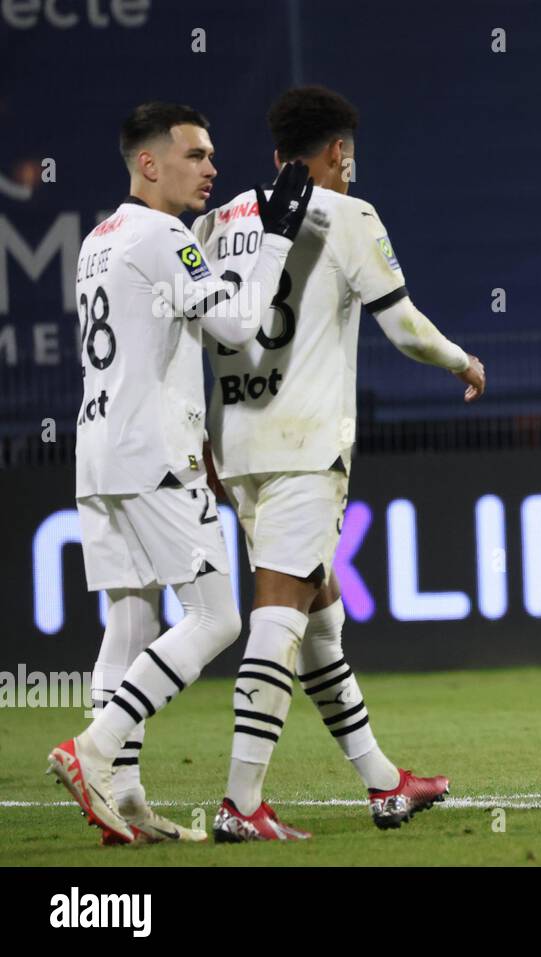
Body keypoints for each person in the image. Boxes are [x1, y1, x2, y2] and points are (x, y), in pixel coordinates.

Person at [193, 85, 485, 840]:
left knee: (322, 621)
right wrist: (462, 360)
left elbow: (202, 335)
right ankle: (240, 801)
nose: (351, 168)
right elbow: (406, 328)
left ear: (275, 154)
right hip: (303, 448)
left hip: (238, 449)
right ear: (334, 154)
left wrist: (201, 433)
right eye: (347, 156)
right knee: (281, 615)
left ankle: (385, 783)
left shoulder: (216, 222)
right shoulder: (350, 215)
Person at [49, 101, 314, 843]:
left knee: (130, 618)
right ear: (149, 163)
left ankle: (122, 798)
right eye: (196, 154)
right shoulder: (164, 234)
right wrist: (275, 242)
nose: (211, 167)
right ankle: (92, 750)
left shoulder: (97, 240)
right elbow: (236, 325)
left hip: (97, 450)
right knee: (218, 617)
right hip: (152, 456)